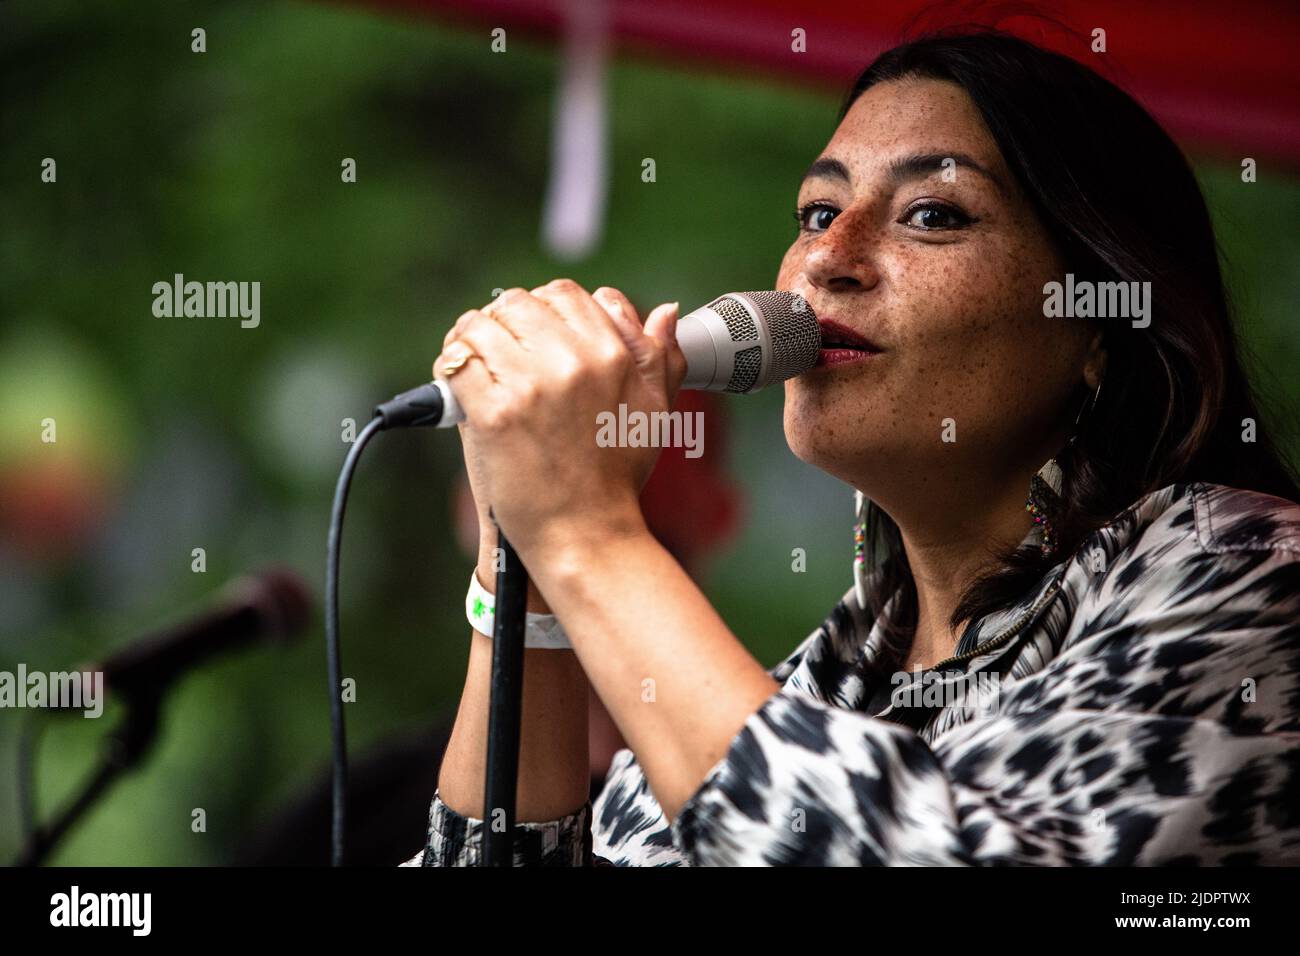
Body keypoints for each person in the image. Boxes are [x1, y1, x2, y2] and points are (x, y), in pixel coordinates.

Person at [404, 30, 1300, 866]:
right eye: (818, 209)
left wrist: (588, 534)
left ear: (1100, 325)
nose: (829, 255)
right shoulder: (800, 693)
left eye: (933, 214)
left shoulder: (1249, 572)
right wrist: (521, 566)